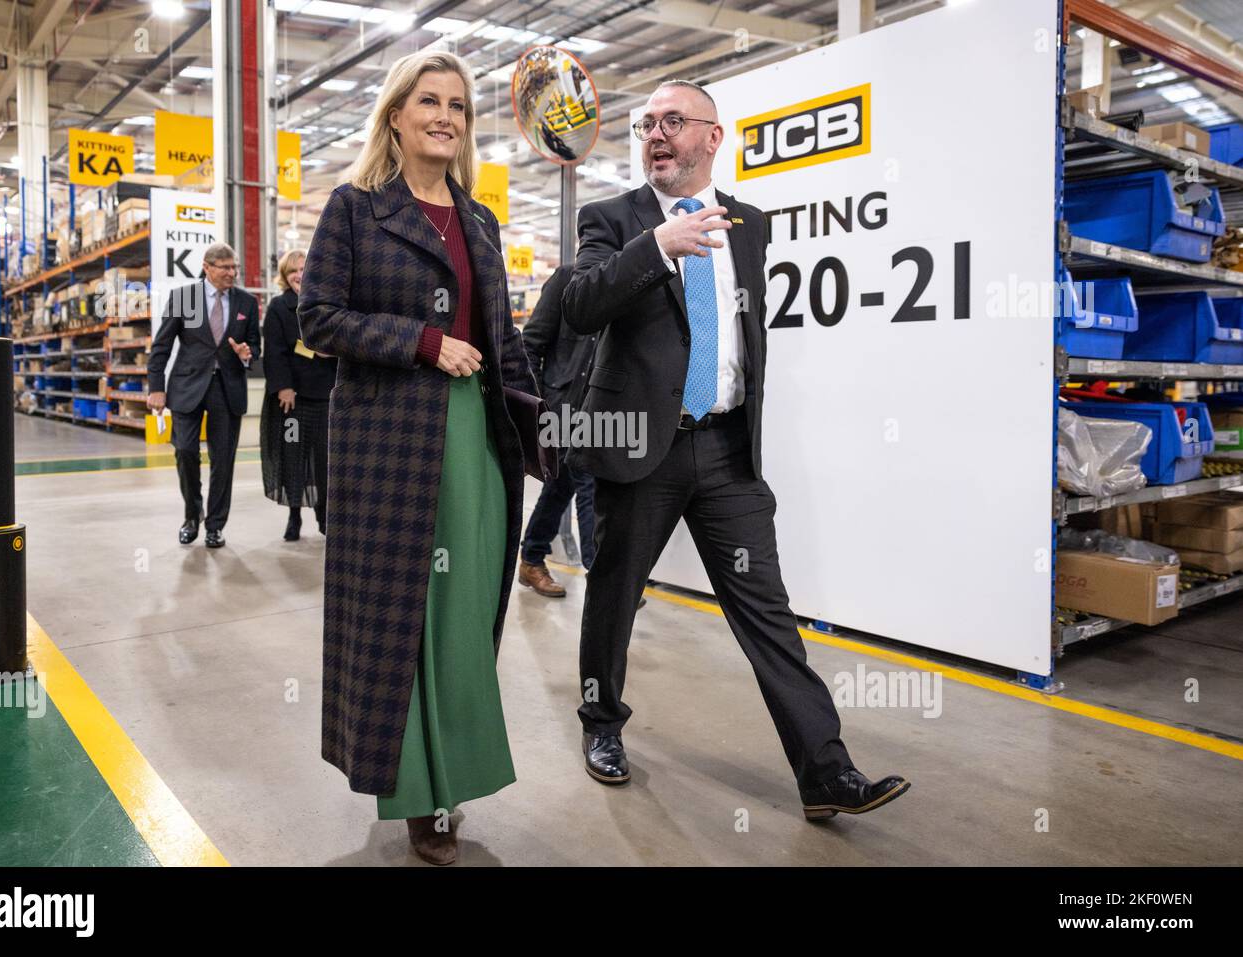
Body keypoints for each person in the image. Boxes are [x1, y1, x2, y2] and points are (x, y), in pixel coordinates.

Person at [562, 79, 910, 821]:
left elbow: (744, 332)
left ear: (713, 137)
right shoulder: (612, 217)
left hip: (724, 452)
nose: (657, 134)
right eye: (647, 123)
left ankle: (826, 772)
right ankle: (601, 725)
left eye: (674, 122)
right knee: (614, 596)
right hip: (639, 451)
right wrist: (656, 246)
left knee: (768, 616)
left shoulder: (748, 223)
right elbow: (582, 304)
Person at [298, 50, 539, 866]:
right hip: (390, 444)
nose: (445, 116)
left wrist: (549, 427)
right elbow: (320, 317)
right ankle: (420, 802)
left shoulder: (481, 223)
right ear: (395, 115)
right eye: (428, 101)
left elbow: (502, 342)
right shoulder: (356, 210)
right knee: (408, 623)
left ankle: (456, 776)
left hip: (474, 439)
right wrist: (422, 341)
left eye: (459, 106)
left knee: (464, 618)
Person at [147, 242, 260, 549]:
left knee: (223, 461)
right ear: (207, 267)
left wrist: (247, 354)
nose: (232, 273)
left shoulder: (246, 303)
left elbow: (254, 347)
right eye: (225, 267)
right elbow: (162, 346)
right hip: (186, 387)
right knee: (184, 451)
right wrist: (156, 387)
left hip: (227, 389)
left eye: (234, 267)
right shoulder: (184, 298)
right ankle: (192, 516)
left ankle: (215, 526)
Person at [516, 264, 598, 595]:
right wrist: (542, 404)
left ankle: (531, 558)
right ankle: (600, 574)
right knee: (591, 483)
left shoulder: (626, 282)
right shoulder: (568, 279)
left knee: (561, 485)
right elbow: (531, 344)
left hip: (600, 411)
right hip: (561, 407)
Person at [260, 248, 337, 540]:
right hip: (295, 397)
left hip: (328, 394)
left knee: (324, 461)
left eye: (304, 269)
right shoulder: (279, 308)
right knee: (294, 458)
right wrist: (284, 387)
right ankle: (294, 516)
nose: (299, 276)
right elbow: (276, 353)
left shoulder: (328, 304)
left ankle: (323, 516)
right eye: (293, 271)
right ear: (284, 276)